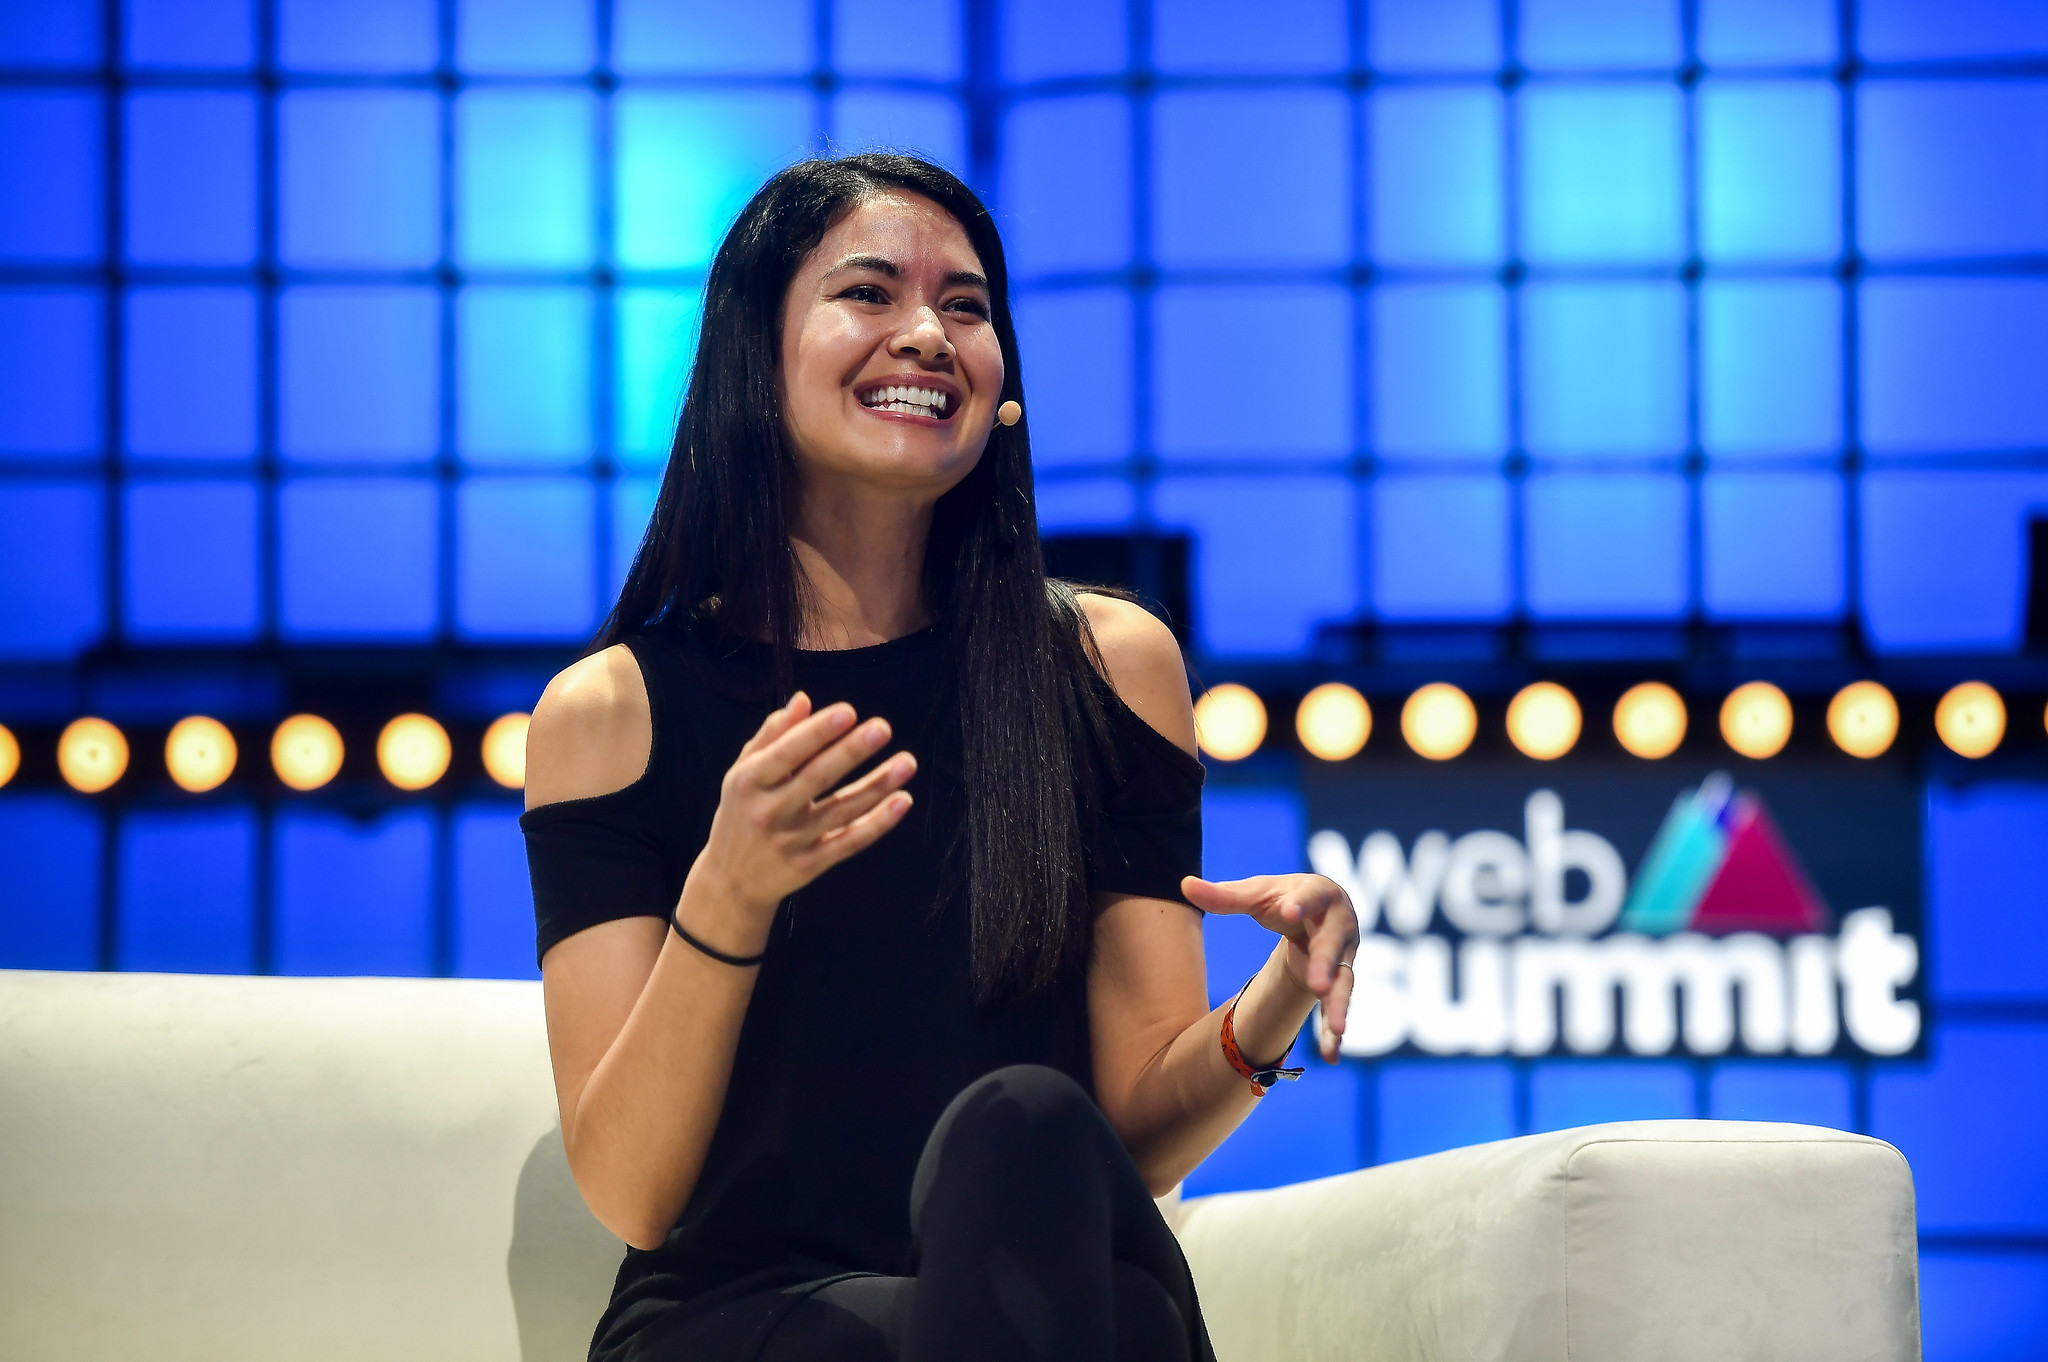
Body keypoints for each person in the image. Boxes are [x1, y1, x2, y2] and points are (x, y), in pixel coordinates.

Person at [520, 153, 1360, 1362]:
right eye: (868, 294)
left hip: (1054, 1302)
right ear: (754, 360)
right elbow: (634, 1194)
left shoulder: (1106, 666)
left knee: (1032, 1138)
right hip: (749, 1319)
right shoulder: (611, 713)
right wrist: (731, 890)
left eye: (964, 308)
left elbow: (1130, 1126)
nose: (925, 334)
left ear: (1001, 386)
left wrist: (1273, 1000)